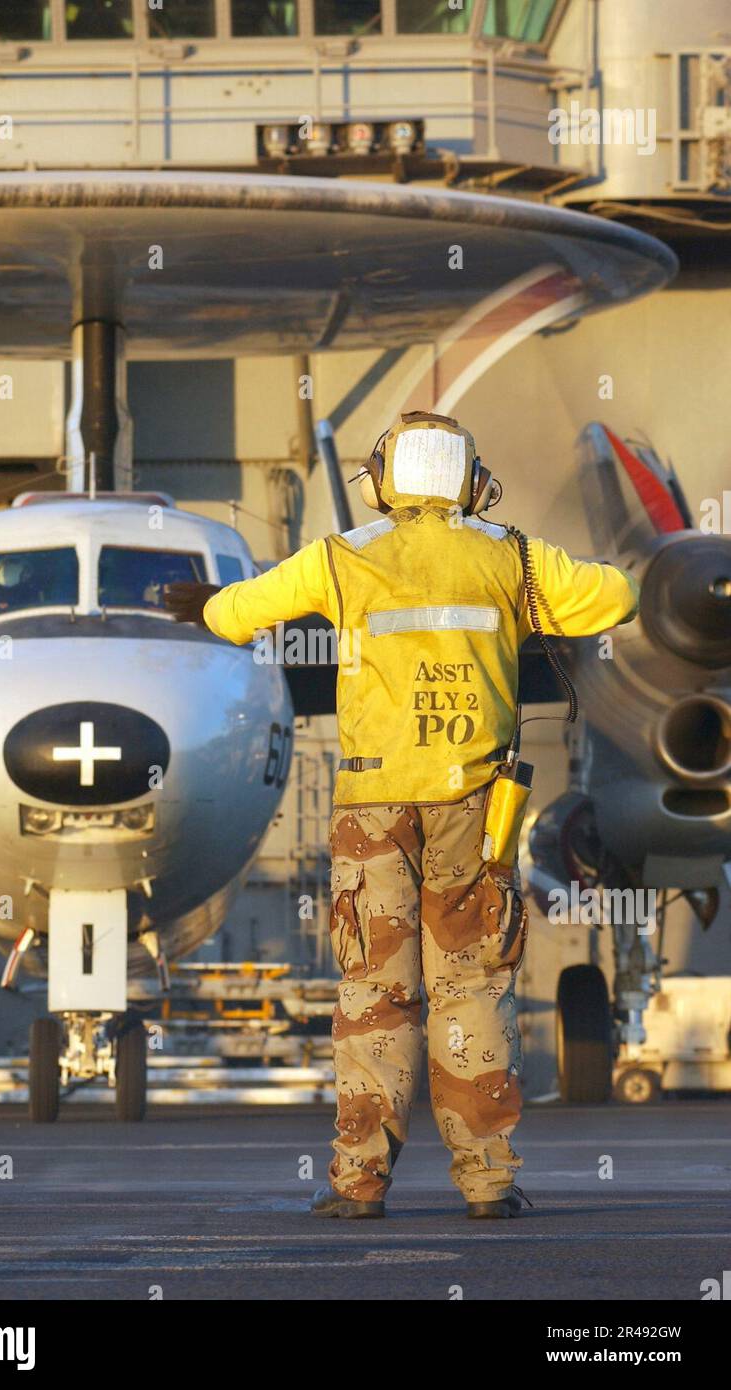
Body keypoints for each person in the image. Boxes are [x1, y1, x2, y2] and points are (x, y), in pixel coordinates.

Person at [162, 412, 639, 1220]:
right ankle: (487, 1184)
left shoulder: (341, 559)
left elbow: (238, 615)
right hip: (474, 806)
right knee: (472, 990)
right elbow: (616, 596)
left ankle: (358, 1186)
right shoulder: (510, 556)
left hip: (374, 810)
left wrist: (210, 604)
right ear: (469, 481)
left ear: (383, 481)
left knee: (374, 996)